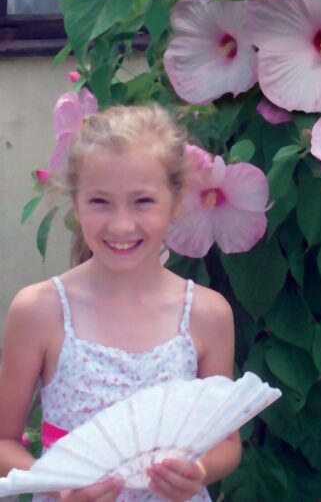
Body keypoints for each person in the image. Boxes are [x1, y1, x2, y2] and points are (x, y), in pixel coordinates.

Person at [0, 104, 242, 501]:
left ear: (176, 200)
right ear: (76, 204)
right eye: (100, 202)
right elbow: (3, 441)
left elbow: (229, 442)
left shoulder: (206, 314)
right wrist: (59, 486)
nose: (121, 225)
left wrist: (199, 470)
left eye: (143, 201)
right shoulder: (40, 311)